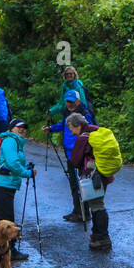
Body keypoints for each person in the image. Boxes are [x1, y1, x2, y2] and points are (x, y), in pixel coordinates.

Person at [0, 118, 36, 261]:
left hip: (5, 184)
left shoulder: (15, 142)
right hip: (2, 184)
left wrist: (26, 168)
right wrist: (27, 173)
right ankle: (8, 251)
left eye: (23, 128)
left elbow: (13, 164)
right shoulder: (10, 141)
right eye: (18, 127)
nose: (21, 129)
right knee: (6, 220)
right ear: (11, 128)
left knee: (2, 218)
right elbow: (12, 163)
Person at [45, 91, 94, 223]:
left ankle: (84, 212)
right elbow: (63, 126)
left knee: (82, 184)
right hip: (69, 153)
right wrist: (51, 128)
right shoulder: (66, 113)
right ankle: (77, 211)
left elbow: (90, 130)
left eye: (72, 101)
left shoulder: (84, 114)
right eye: (68, 101)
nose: (70, 104)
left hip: (81, 154)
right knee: (73, 183)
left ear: (78, 101)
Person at [67, 113, 113, 252]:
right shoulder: (97, 130)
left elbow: (75, 160)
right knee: (99, 203)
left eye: (71, 129)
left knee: (97, 206)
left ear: (78, 125)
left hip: (92, 175)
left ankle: (101, 238)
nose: (71, 132)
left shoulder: (83, 138)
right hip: (103, 174)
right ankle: (99, 236)